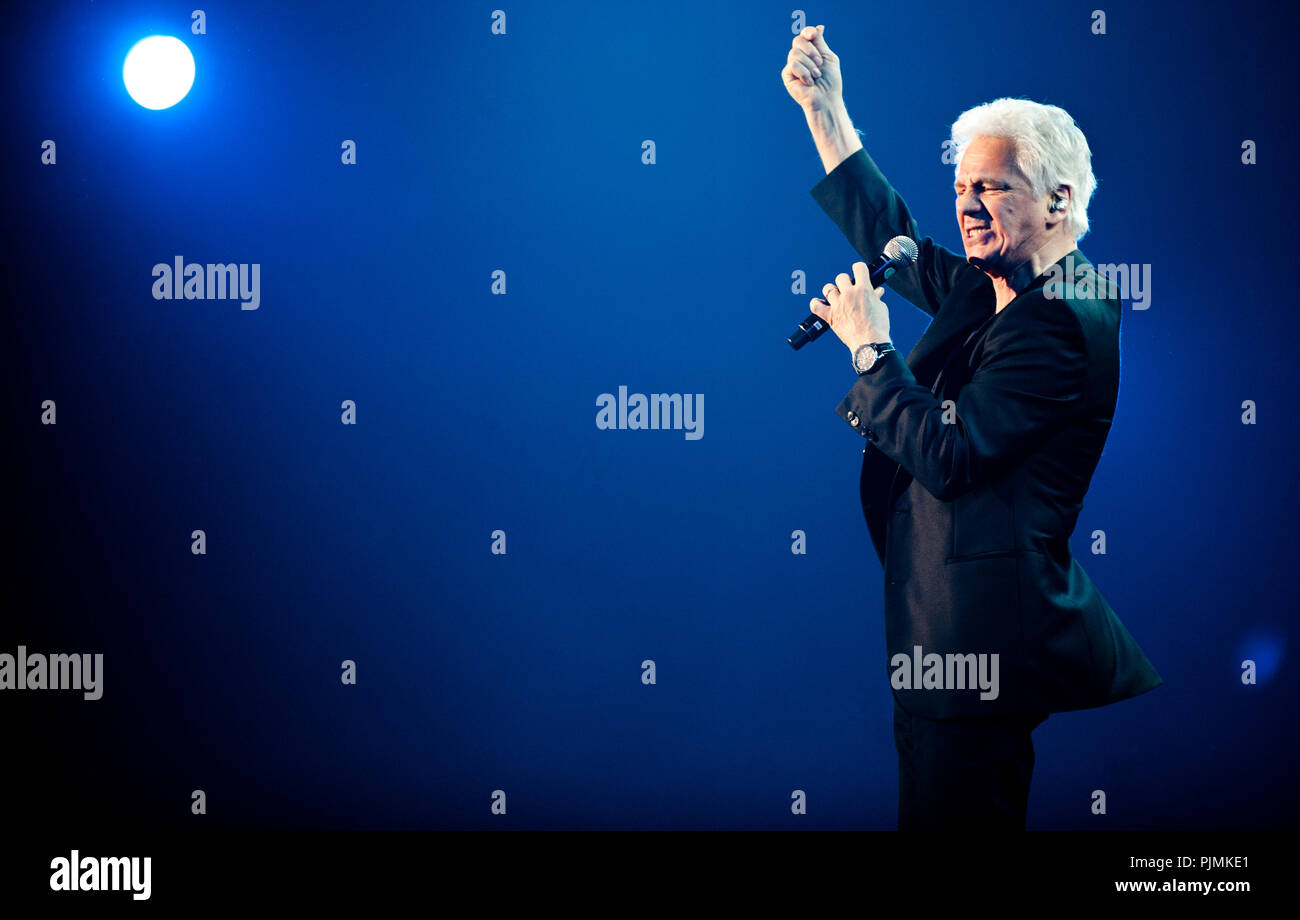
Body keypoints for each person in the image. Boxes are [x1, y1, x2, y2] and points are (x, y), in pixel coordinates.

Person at [782, 24, 1162, 830]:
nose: (966, 203)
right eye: (962, 187)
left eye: (991, 187)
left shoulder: (1061, 315)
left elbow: (951, 456)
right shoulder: (1002, 288)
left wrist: (870, 349)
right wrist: (825, 110)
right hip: (940, 642)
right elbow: (894, 237)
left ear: (1058, 199)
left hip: (978, 648)